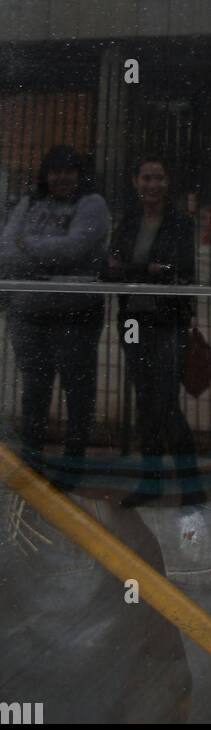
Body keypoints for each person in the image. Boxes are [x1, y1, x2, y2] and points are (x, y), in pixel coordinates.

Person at [0, 145, 109, 487]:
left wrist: (28, 245)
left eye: (68, 171)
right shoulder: (29, 202)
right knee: (34, 386)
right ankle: (32, 459)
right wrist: (45, 252)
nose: (60, 178)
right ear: (45, 175)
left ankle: (72, 462)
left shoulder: (93, 205)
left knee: (77, 387)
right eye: (54, 171)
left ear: (79, 174)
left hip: (74, 313)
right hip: (29, 312)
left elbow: (77, 247)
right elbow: (5, 247)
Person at [105, 156, 204, 509]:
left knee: (165, 404)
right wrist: (146, 268)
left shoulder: (179, 221)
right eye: (146, 178)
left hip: (167, 322)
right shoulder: (129, 222)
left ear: (167, 182)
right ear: (135, 181)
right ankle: (152, 483)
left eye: (159, 178)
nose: (152, 184)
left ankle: (191, 484)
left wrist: (134, 270)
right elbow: (110, 270)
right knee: (146, 404)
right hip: (133, 321)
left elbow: (178, 269)